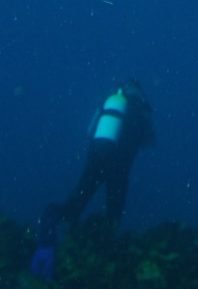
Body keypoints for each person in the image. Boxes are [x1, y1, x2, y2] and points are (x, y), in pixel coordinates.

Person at [44, 80, 155, 230]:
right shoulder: (139, 105)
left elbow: (90, 131)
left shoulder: (109, 101)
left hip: (97, 154)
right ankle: (106, 239)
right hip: (120, 162)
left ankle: (52, 222)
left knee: (80, 196)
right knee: (114, 204)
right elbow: (148, 140)